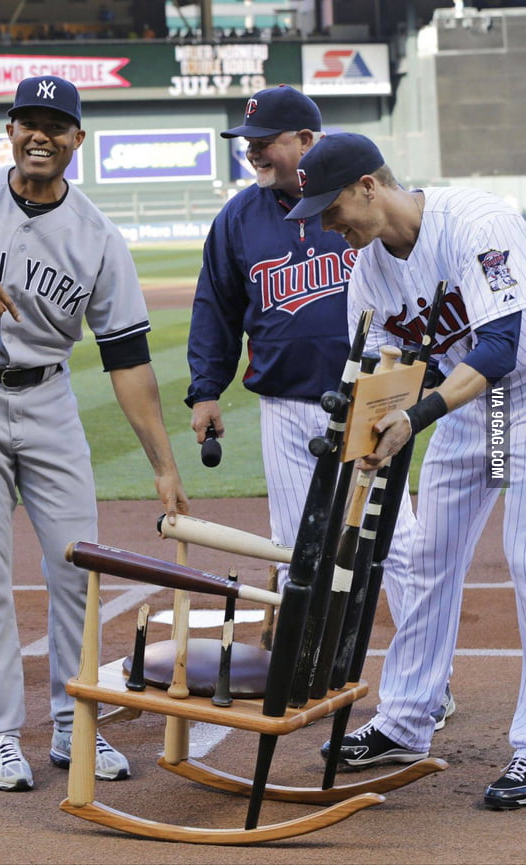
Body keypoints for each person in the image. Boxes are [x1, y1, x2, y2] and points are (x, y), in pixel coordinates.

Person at [0, 75, 189, 792]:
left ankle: (76, 724)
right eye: (29, 122)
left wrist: (163, 464)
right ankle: (0, 734)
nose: (41, 134)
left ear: (78, 139)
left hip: (48, 400)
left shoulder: (98, 238)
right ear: (10, 132)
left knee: (77, 565)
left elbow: (128, 359)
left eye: (57, 124)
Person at [183, 86, 456, 725]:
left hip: (370, 401)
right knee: (297, 546)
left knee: (403, 548)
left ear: (307, 142)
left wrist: (414, 387)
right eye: (246, 142)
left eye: (265, 141)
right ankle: (306, 671)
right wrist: (205, 389)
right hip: (283, 403)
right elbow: (216, 307)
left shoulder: (359, 203)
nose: (252, 152)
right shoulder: (238, 219)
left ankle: (427, 686)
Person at [288, 131, 526, 809]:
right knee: (424, 557)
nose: (328, 228)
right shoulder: (368, 273)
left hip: (521, 395)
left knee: (525, 557)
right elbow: (383, 377)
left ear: (370, 184)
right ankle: (406, 720)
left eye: (332, 210)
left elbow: (503, 348)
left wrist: (413, 419)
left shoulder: (476, 224)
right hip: (463, 405)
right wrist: (364, 438)